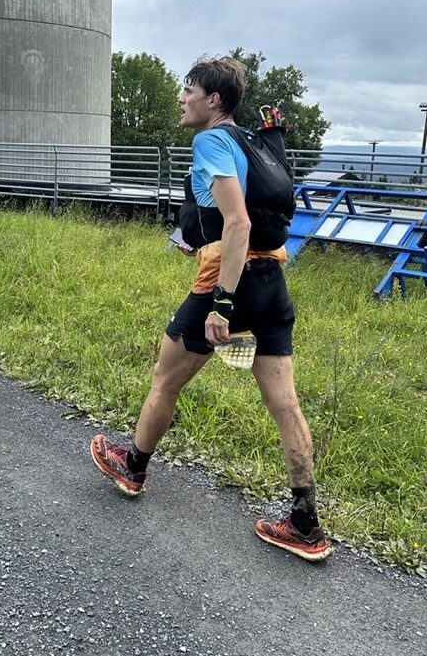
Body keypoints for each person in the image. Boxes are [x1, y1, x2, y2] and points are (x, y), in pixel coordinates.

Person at [91, 55, 333, 562]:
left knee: (165, 380)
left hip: (229, 288)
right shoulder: (251, 140)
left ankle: (132, 467)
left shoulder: (212, 140)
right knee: (285, 404)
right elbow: (244, 217)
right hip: (272, 285)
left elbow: (238, 223)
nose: (182, 98)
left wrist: (221, 304)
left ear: (213, 100)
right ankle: (306, 524)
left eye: (189, 89)